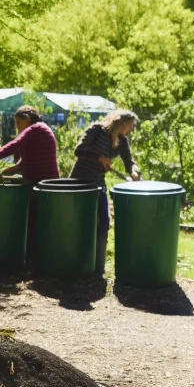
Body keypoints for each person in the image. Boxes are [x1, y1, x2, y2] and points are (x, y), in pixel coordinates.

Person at [0, 106, 61, 265]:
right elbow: (32, 154)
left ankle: (34, 258)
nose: (17, 126)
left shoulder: (35, 128)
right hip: (42, 179)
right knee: (36, 219)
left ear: (28, 118)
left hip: (41, 181)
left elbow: (16, 143)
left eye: (18, 121)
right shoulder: (39, 130)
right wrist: (15, 168)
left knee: (34, 219)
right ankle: (34, 257)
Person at [71, 110, 141, 276]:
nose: (130, 130)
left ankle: (98, 270)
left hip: (98, 182)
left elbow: (129, 162)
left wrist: (134, 171)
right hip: (80, 181)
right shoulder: (96, 129)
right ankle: (77, 263)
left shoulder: (122, 141)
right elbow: (79, 150)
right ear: (121, 123)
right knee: (80, 223)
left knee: (104, 223)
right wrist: (99, 157)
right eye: (129, 126)